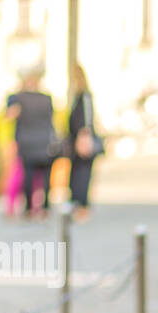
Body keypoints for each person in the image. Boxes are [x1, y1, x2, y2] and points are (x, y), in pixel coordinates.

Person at [5, 66, 57, 220]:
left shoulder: (19, 98)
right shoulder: (46, 98)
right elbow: (51, 119)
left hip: (27, 141)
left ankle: (29, 208)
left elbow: (10, 116)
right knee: (45, 176)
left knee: (28, 174)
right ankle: (45, 208)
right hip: (44, 140)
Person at [66, 64, 99, 222]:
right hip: (75, 141)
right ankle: (76, 203)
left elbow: (87, 119)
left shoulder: (85, 96)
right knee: (76, 174)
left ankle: (83, 206)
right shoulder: (77, 96)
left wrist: (84, 137)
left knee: (83, 174)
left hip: (82, 140)